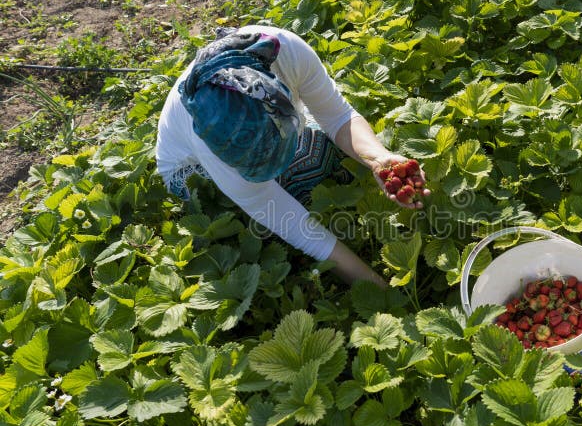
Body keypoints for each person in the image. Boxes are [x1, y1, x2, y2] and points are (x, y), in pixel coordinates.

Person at [156, 24, 429, 287]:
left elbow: (338, 116)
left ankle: (284, 161)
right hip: (192, 172)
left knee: (321, 155)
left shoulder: (286, 52)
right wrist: (373, 285)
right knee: (305, 178)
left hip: (253, 135)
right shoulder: (210, 141)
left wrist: (377, 158)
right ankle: (255, 184)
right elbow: (298, 227)